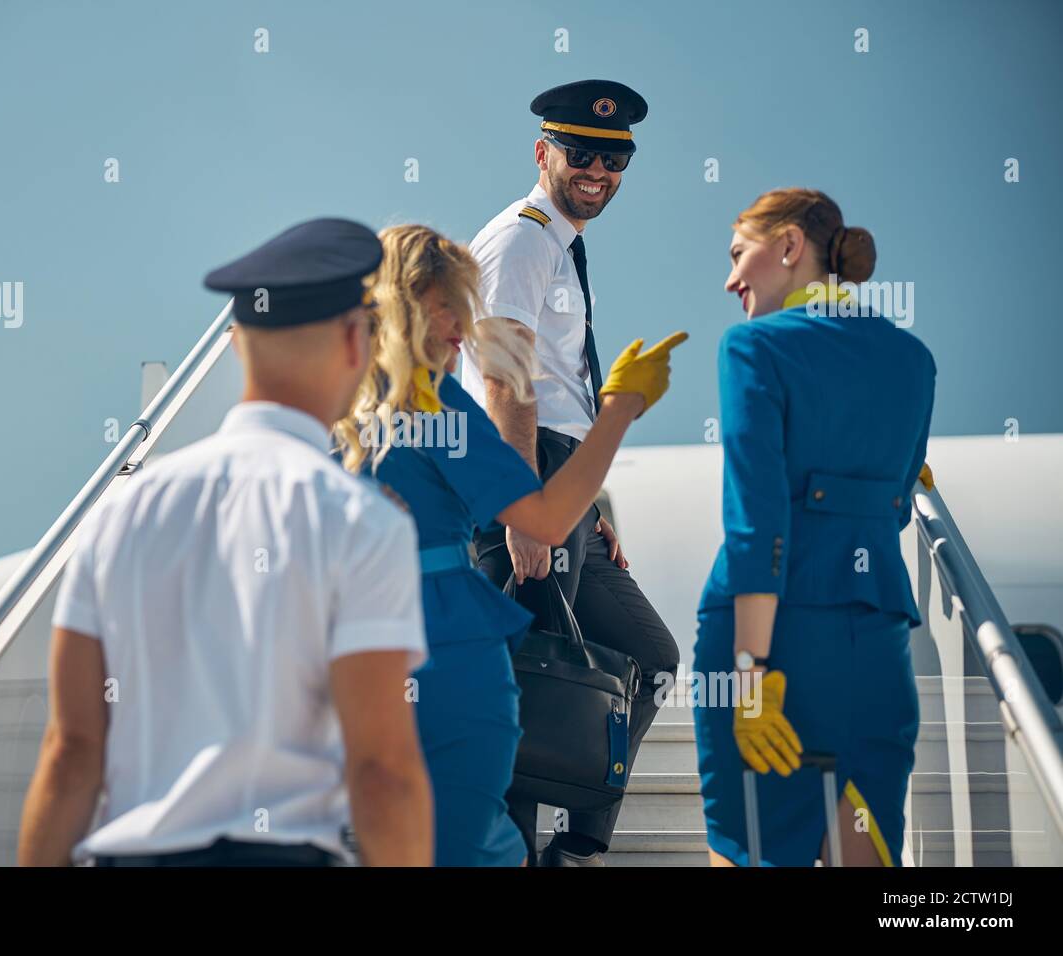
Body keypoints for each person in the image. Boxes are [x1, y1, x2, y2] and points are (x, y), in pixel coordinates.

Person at [17, 218, 433, 867]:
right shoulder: (362, 523)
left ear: (238, 342)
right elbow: (381, 770)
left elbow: (71, 754)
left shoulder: (117, 514)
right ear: (358, 341)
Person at [335, 223, 685, 866]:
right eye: (448, 308)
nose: (462, 330)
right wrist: (618, 413)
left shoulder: (346, 415)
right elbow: (545, 521)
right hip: (451, 655)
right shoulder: (437, 406)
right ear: (409, 301)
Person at [460, 79, 680, 865]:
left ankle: (580, 846)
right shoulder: (521, 238)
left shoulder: (558, 244)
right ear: (542, 152)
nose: (598, 169)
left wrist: (585, 507)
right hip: (520, 471)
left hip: (559, 476)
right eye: (581, 152)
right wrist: (525, 507)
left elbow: (557, 391)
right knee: (523, 676)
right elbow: (507, 379)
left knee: (652, 659)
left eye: (615, 157)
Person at [694, 188, 937, 867]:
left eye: (740, 254)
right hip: (875, 641)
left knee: (753, 848)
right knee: (866, 852)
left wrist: (750, 675)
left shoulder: (753, 348)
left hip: (771, 635)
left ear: (791, 246)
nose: (731, 278)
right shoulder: (914, 362)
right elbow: (898, 491)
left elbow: (756, 519)